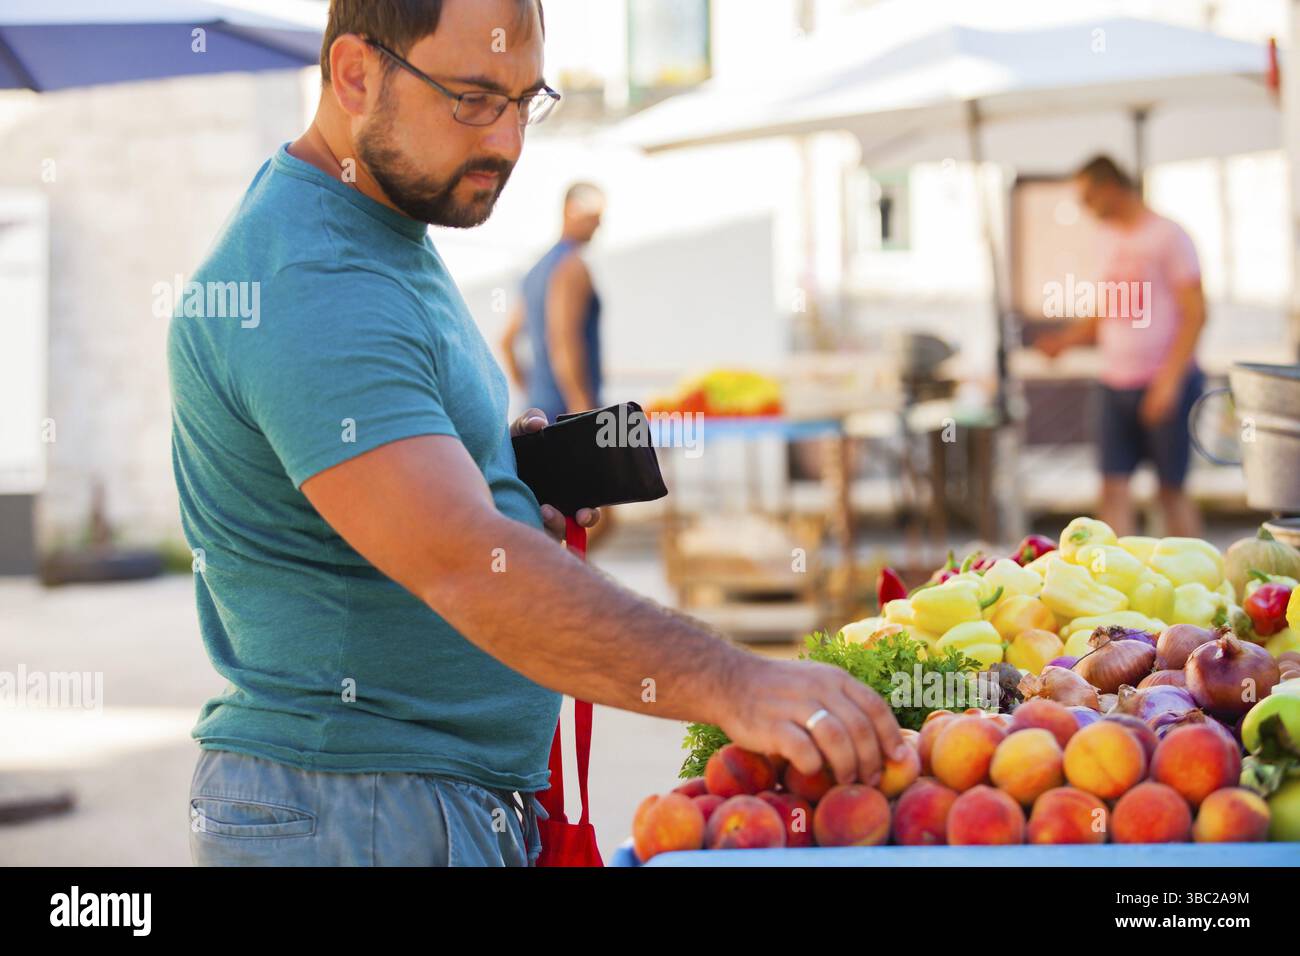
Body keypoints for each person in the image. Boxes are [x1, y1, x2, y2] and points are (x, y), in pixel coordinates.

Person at [169, 0, 902, 867]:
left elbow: (426, 521)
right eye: (474, 98)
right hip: (359, 808)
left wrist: (504, 485)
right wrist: (736, 682)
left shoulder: (376, 225)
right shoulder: (316, 277)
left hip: (393, 799)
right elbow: (461, 563)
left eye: (526, 101)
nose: (509, 143)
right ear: (355, 74)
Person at [1036, 155, 1207, 538]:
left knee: (1171, 492)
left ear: (1110, 187)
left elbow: (1195, 314)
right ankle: (1113, 587)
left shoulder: (1168, 235)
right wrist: (1065, 341)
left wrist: (1169, 382)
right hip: (1115, 383)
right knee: (1112, 488)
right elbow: (1109, 310)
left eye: (1088, 197)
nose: (1084, 208)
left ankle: (1204, 586)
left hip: (1166, 383)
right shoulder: (1106, 238)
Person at [502, 182, 605, 424]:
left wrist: (532, 391)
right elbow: (562, 339)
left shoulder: (537, 271)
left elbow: (506, 341)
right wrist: (582, 409)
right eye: (595, 217)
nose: (599, 225)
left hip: (539, 412)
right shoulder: (572, 267)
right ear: (572, 209)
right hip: (568, 413)